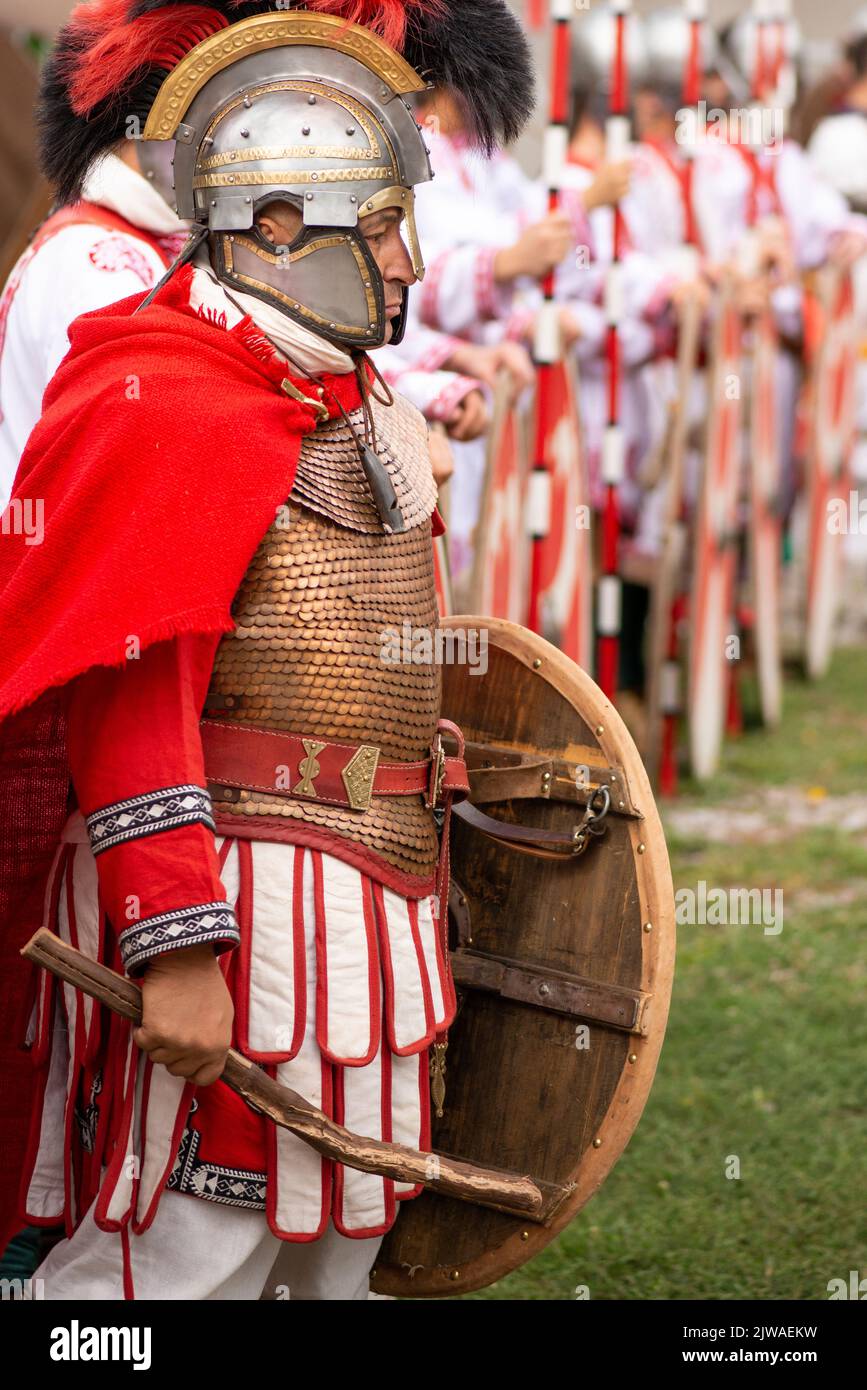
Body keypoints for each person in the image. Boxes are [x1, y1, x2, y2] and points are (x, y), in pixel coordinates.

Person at [0, 0, 533, 1300]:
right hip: (244, 919)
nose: (411, 264)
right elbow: (128, 694)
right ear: (280, 229)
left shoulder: (339, 397)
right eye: (389, 226)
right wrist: (176, 950)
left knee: (339, 1251)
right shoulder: (166, 398)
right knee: (179, 1264)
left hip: (377, 918)